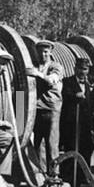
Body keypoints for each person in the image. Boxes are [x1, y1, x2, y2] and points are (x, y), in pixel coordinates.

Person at [28, 40, 65, 171]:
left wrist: (37, 74)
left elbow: (51, 80)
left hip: (51, 110)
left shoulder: (56, 67)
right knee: (37, 144)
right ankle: (39, 174)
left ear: (50, 52)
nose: (43, 55)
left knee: (51, 145)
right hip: (36, 110)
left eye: (45, 52)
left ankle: (54, 175)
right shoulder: (34, 66)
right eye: (40, 52)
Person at [61, 56, 91, 160]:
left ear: (88, 70)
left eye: (85, 69)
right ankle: (68, 175)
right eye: (80, 68)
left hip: (83, 125)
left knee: (84, 150)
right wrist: (75, 96)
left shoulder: (88, 86)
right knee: (70, 150)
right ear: (75, 68)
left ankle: (82, 175)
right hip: (70, 124)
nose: (82, 71)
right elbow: (64, 96)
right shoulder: (66, 82)